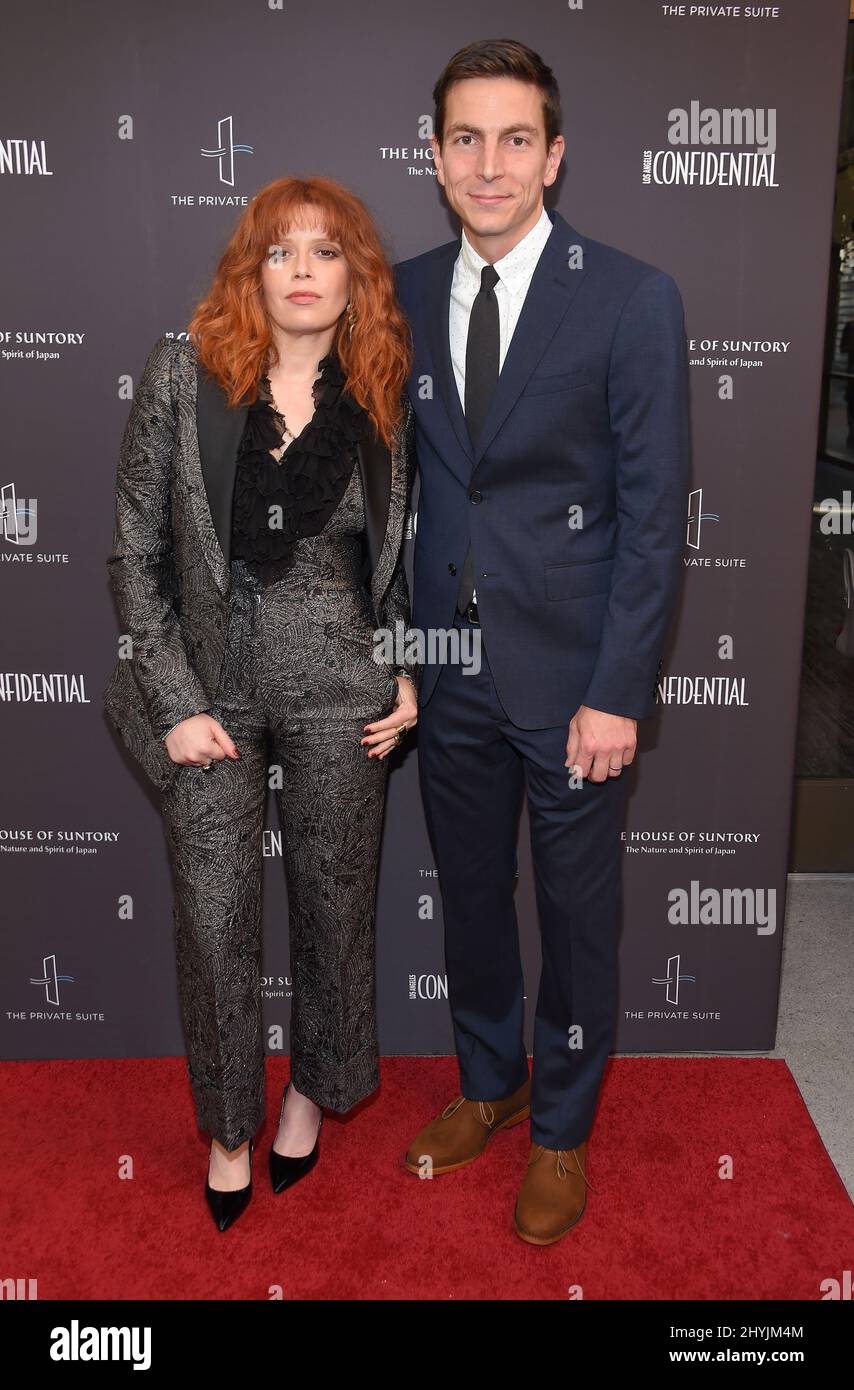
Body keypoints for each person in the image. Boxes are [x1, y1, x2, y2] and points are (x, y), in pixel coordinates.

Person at [394, 39, 690, 1245]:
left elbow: (652, 513)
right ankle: (489, 1083)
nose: (489, 162)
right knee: (468, 896)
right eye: (466, 137)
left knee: (572, 915)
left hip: (574, 677)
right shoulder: (402, 290)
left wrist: (617, 689)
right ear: (433, 154)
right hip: (444, 669)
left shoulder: (628, 294)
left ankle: (559, 1129)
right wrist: (394, 652)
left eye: (515, 138)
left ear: (554, 155)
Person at [103, 176, 418, 1231]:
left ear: (351, 276)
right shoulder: (182, 375)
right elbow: (135, 557)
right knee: (214, 917)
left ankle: (308, 1095)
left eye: (324, 252)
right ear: (251, 267)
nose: (299, 271)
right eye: (279, 251)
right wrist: (174, 697)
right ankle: (228, 1125)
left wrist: (404, 661)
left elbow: (399, 548)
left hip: (342, 678)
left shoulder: (376, 384)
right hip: (211, 683)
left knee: (335, 911)